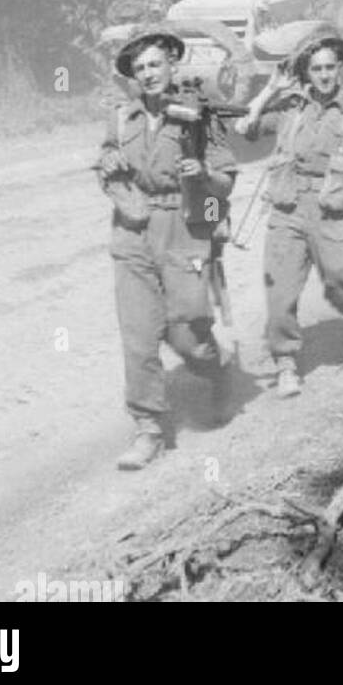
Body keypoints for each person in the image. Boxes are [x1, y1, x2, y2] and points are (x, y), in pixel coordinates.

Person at [96, 30, 236, 470]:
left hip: (184, 225)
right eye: (140, 70)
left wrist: (204, 173)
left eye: (156, 64)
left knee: (189, 333)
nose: (148, 74)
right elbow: (104, 161)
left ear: (173, 66)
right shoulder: (122, 119)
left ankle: (217, 372)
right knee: (138, 336)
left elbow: (227, 179)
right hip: (133, 230)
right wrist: (110, 164)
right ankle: (149, 428)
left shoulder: (197, 115)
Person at [235, 29, 343, 399]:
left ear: (340, 69)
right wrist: (270, 89)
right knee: (280, 290)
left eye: (330, 67)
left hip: (332, 210)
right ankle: (286, 362)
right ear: (306, 71)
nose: (324, 75)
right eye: (316, 68)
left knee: (340, 282)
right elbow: (244, 129)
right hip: (287, 207)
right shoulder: (289, 107)